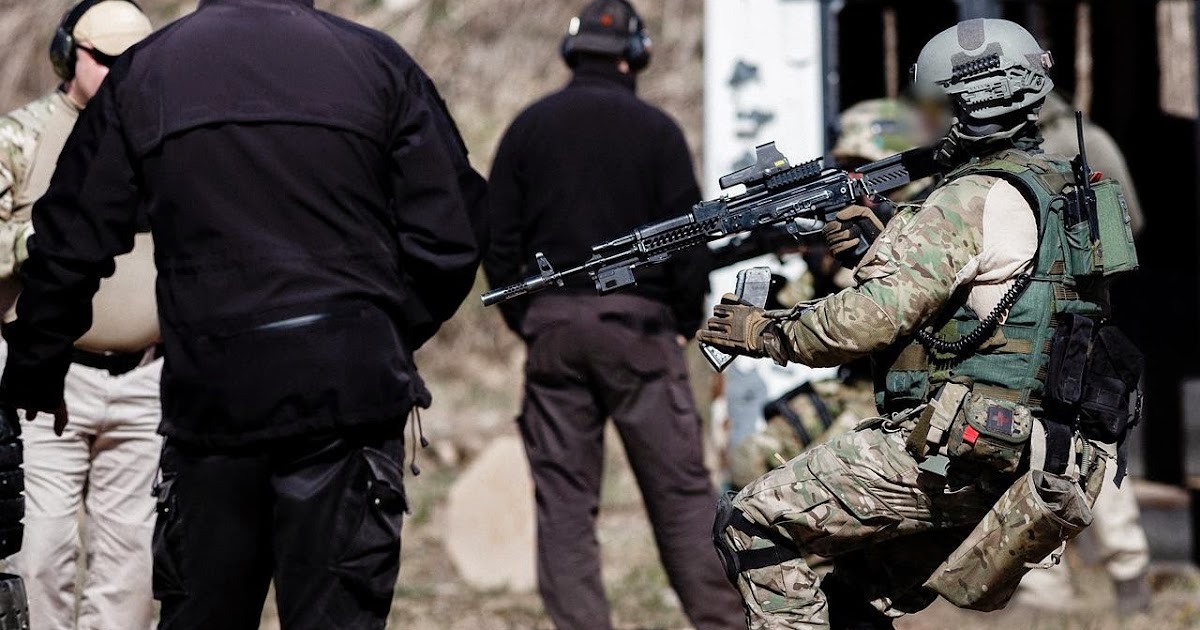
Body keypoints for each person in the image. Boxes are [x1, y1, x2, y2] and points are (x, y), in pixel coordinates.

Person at [0, 0, 487, 628]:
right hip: (345, 401)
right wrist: (376, 333)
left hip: (213, 404)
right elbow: (451, 239)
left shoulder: (149, 72)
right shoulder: (376, 63)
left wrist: (37, 364)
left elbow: (71, 238)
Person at [700, 18, 1142, 629]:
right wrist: (876, 247)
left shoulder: (967, 198)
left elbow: (863, 325)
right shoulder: (1064, 190)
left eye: (936, 109)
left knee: (752, 520)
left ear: (970, 106)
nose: (926, 127)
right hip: (1039, 452)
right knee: (854, 597)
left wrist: (761, 331)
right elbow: (1005, 305)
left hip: (960, 448)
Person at [483, 2, 744, 628]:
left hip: (552, 328)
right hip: (641, 329)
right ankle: (725, 622)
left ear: (573, 54)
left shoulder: (528, 127)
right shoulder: (657, 130)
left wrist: (531, 318)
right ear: (636, 55)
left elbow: (496, 238)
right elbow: (688, 239)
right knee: (681, 497)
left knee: (566, 504)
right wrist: (682, 318)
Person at [0, 2, 159, 628]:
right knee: (39, 555)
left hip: (148, 378)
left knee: (133, 571)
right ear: (70, 55)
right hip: (49, 379)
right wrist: (50, 236)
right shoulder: (21, 137)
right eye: (110, 62)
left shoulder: (164, 137)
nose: (126, 76)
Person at [724, 98, 930, 491]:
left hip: (902, 393)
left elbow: (882, 307)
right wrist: (805, 270)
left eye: (865, 170)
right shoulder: (851, 221)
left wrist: (846, 265)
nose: (856, 184)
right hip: (851, 383)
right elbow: (799, 302)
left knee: (798, 491)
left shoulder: (922, 222)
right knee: (750, 459)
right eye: (848, 169)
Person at [1011, 90, 1152, 616]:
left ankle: (1126, 572)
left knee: (1090, 441)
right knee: (1030, 450)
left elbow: (1126, 229)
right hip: (1022, 327)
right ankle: (1047, 593)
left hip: (1078, 323)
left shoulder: (1086, 142)